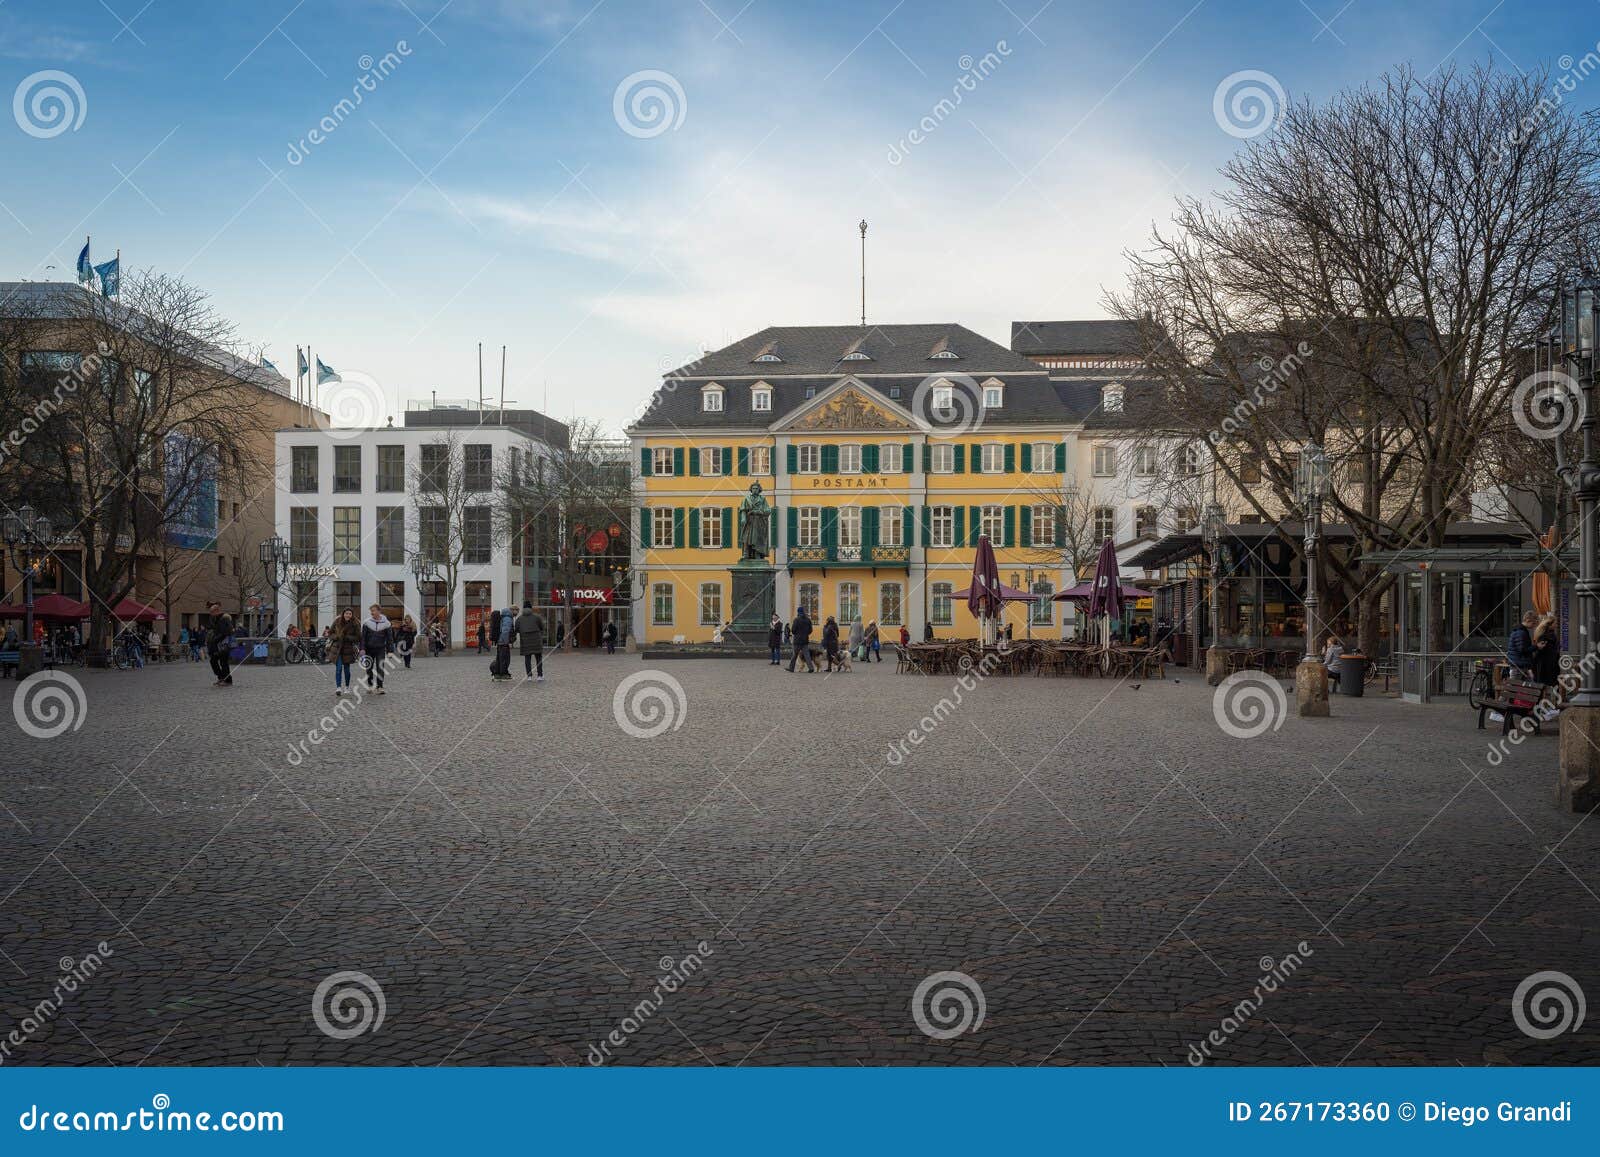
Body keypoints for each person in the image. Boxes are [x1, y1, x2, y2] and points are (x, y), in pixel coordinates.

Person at [360, 605, 391, 693]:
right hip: (369, 649)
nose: (371, 612)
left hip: (380, 649)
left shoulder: (386, 623)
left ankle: (380, 686)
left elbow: (389, 638)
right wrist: (362, 648)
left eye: (373, 610)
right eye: (371, 611)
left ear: (379, 611)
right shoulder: (367, 623)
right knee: (369, 668)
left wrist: (390, 650)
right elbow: (363, 637)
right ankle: (370, 685)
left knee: (380, 668)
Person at [331, 607, 360, 697]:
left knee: (347, 669)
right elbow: (330, 633)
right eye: (346, 613)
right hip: (338, 648)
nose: (348, 615)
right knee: (338, 668)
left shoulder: (355, 623)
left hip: (348, 649)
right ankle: (338, 687)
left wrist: (348, 637)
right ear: (343, 614)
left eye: (350, 614)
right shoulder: (337, 621)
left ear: (352, 615)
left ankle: (347, 687)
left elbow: (358, 637)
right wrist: (336, 637)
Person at [206, 601, 234, 687]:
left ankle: (227, 680)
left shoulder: (224, 618)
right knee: (214, 660)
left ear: (216, 611)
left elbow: (227, 632)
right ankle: (222, 677)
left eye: (211, 612)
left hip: (223, 644)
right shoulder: (216, 619)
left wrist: (216, 639)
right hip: (217, 644)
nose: (210, 614)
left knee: (223, 662)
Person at [516, 601, 545, 680]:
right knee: (538, 658)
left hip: (525, 641)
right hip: (536, 640)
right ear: (531, 608)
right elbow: (542, 627)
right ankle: (540, 675)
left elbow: (517, 629)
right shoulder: (537, 617)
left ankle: (529, 676)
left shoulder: (519, 618)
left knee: (527, 659)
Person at [1533, 613, 1561, 690]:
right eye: (1555, 623)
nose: (1556, 625)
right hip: (1548, 665)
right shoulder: (1548, 636)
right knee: (1550, 685)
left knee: (1543, 686)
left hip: (1543, 665)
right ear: (1550, 625)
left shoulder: (1542, 635)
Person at [1507, 611, 1537, 678]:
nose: (1534, 625)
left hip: (1519, 664)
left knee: (1528, 685)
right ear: (1528, 620)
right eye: (1533, 623)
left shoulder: (1520, 631)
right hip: (1518, 666)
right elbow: (1523, 650)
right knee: (1515, 686)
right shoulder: (1521, 632)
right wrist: (1536, 646)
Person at [788, 606, 816, 673]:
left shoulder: (796, 620)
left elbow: (793, 630)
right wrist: (806, 634)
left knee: (795, 655)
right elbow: (810, 630)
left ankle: (791, 668)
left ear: (798, 612)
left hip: (797, 640)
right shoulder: (808, 620)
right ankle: (811, 668)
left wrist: (797, 634)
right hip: (805, 640)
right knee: (807, 655)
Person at [494, 604, 517, 679]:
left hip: (500, 641)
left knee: (499, 658)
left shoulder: (504, 616)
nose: (517, 613)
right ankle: (503, 674)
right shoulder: (508, 618)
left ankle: (497, 673)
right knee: (504, 658)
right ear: (513, 610)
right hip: (503, 641)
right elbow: (505, 631)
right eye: (517, 610)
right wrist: (506, 642)